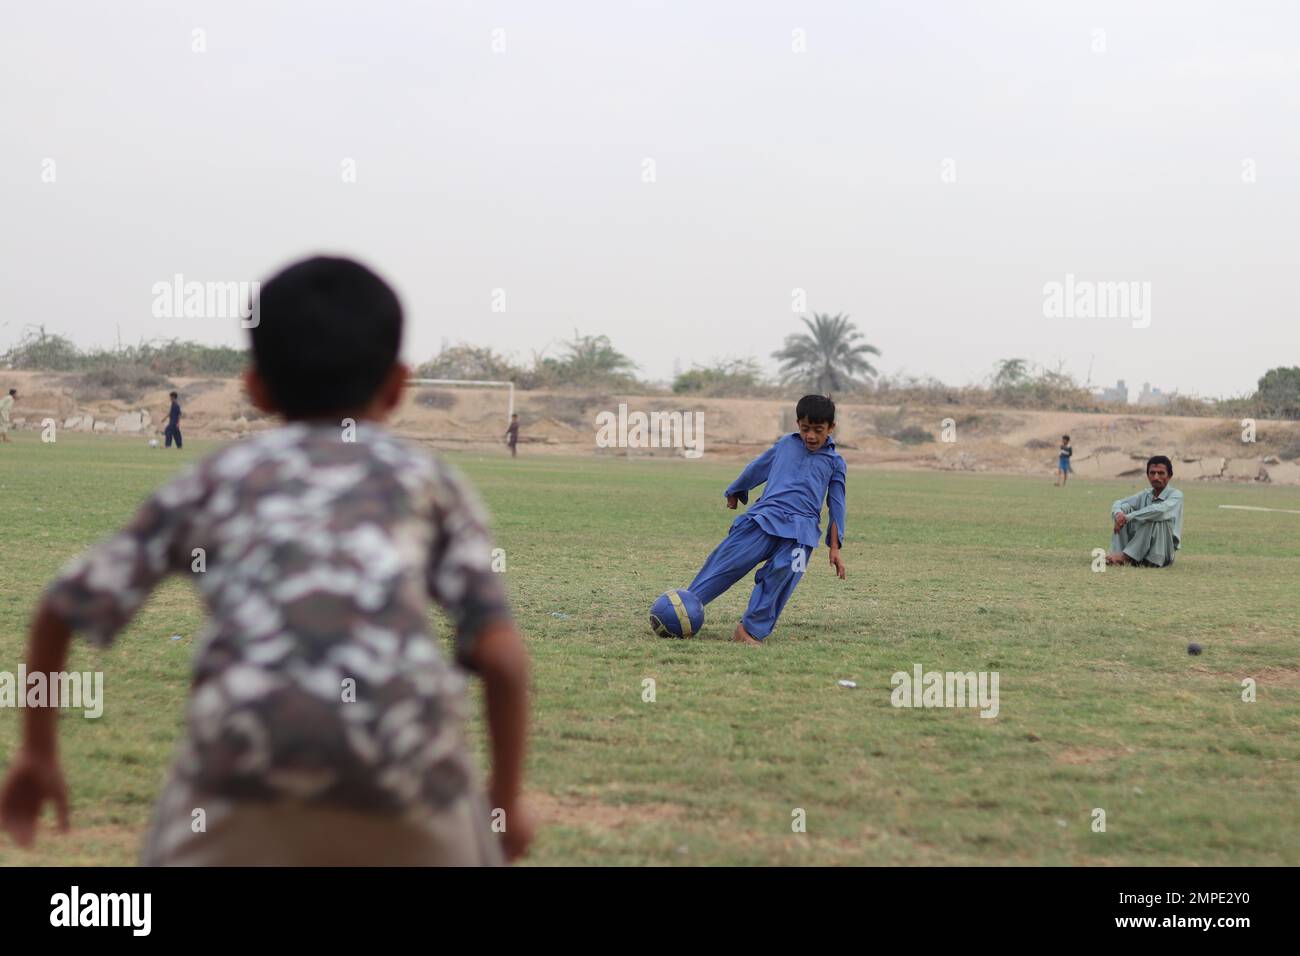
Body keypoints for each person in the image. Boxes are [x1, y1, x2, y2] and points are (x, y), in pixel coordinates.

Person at [0, 256, 533, 865]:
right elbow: (502, 656)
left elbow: (62, 607)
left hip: (238, 778)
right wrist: (507, 800)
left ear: (255, 387)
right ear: (397, 384)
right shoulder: (431, 483)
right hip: (412, 780)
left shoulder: (218, 478)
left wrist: (38, 754)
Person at [685, 394, 847, 645]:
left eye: (818, 430)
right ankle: (682, 609)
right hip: (764, 518)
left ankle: (749, 631)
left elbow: (837, 504)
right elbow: (757, 467)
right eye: (805, 429)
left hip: (801, 534)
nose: (811, 436)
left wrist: (834, 547)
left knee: (783, 577)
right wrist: (736, 490)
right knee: (725, 563)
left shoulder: (836, 462)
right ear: (797, 424)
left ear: (831, 428)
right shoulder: (785, 445)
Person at [1106, 455, 1183, 567]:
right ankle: (1118, 554)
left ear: (1169, 476)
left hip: (1161, 553)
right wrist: (1118, 514)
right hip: (1141, 551)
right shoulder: (1145, 494)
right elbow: (1118, 503)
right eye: (1152, 473)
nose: (1156, 477)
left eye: (1161, 473)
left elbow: (1160, 510)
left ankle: (1125, 557)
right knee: (1125, 509)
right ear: (1147, 476)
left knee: (1152, 515)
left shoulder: (1176, 495)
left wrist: (1128, 517)